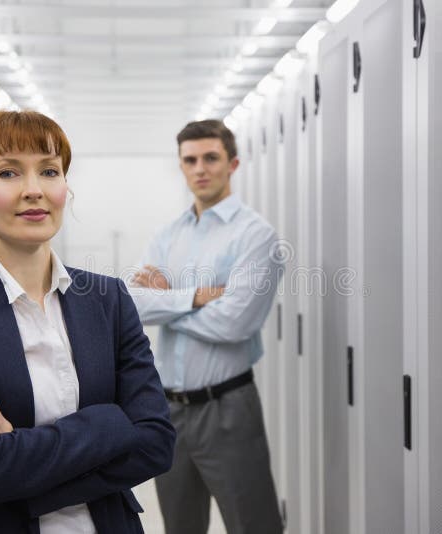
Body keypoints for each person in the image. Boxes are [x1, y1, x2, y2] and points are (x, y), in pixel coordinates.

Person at [0, 110, 174, 534]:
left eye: (49, 171)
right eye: (9, 173)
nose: (34, 190)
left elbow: (156, 443)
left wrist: (16, 445)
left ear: (65, 186)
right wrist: (110, 422)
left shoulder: (108, 300)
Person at [129, 119, 283, 534]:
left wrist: (169, 297)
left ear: (232, 163)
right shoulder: (168, 235)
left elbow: (236, 321)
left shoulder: (256, 236)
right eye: (190, 160)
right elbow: (136, 303)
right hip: (168, 412)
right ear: (181, 166)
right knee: (180, 527)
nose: (200, 168)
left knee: (255, 525)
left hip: (228, 409)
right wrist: (195, 295)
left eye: (211, 158)